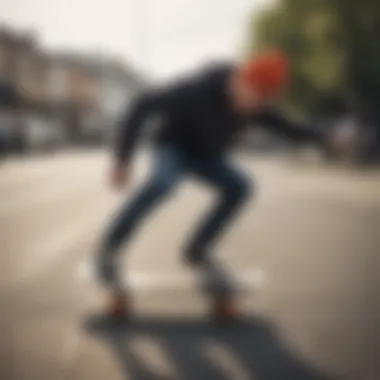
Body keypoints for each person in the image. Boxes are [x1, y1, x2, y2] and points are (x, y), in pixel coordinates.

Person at [96, 50, 350, 321]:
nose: (249, 107)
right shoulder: (195, 90)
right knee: (162, 182)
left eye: (259, 102)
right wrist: (123, 160)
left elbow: (287, 127)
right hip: (173, 147)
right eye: (249, 97)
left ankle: (198, 249)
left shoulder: (257, 106)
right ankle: (110, 249)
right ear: (238, 80)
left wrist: (324, 140)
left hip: (207, 157)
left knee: (240, 186)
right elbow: (143, 105)